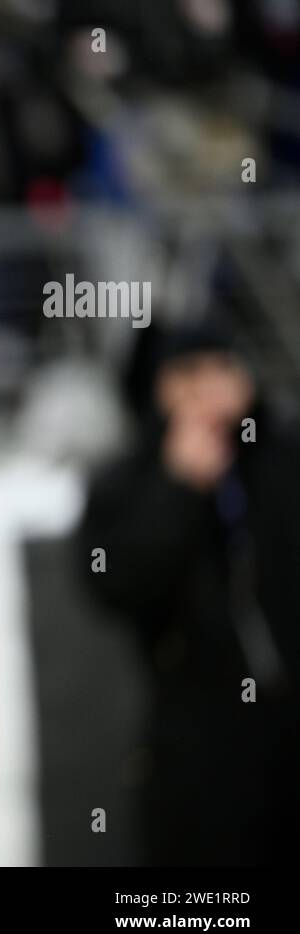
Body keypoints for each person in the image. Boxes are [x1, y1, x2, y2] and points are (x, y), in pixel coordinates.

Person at [79, 324, 300, 865]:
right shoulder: (127, 482)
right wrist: (179, 490)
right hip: (198, 746)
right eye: (188, 374)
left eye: (221, 369)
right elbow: (115, 585)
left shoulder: (282, 459)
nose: (208, 390)